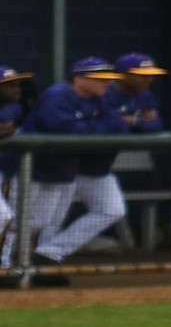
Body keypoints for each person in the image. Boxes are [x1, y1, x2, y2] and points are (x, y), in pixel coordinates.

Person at [2, 56, 127, 286]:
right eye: (99, 79)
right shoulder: (58, 94)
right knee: (14, 221)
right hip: (32, 168)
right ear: (79, 79)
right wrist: (95, 128)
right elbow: (66, 130)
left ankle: (39, 264)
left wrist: (90, 128)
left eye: (108, 79)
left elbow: (118, 127)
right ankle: (6, 267)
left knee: (43, 223)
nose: (106, 84)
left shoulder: (100, 97)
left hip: (65, 170)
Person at [36, 53, 168, 263]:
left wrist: (129, 121)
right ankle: (34, 259)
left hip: (98, 167)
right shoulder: (103, 93)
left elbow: (153, 127)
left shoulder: (144, 96)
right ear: (123, 75)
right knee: (47, 219)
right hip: (71, 164)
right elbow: (98, 128)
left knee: (112, 209)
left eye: (150, 75)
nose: (148, 79)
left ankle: (49, 253)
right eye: (141, 75)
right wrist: (136, 121)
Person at [0, 65, 34, 273]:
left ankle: (3, 267)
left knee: (8, 218)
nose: (17, 89)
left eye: (18, 84)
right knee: (3, 216)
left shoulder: (14, 108)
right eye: (10, 85)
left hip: (4, 171)